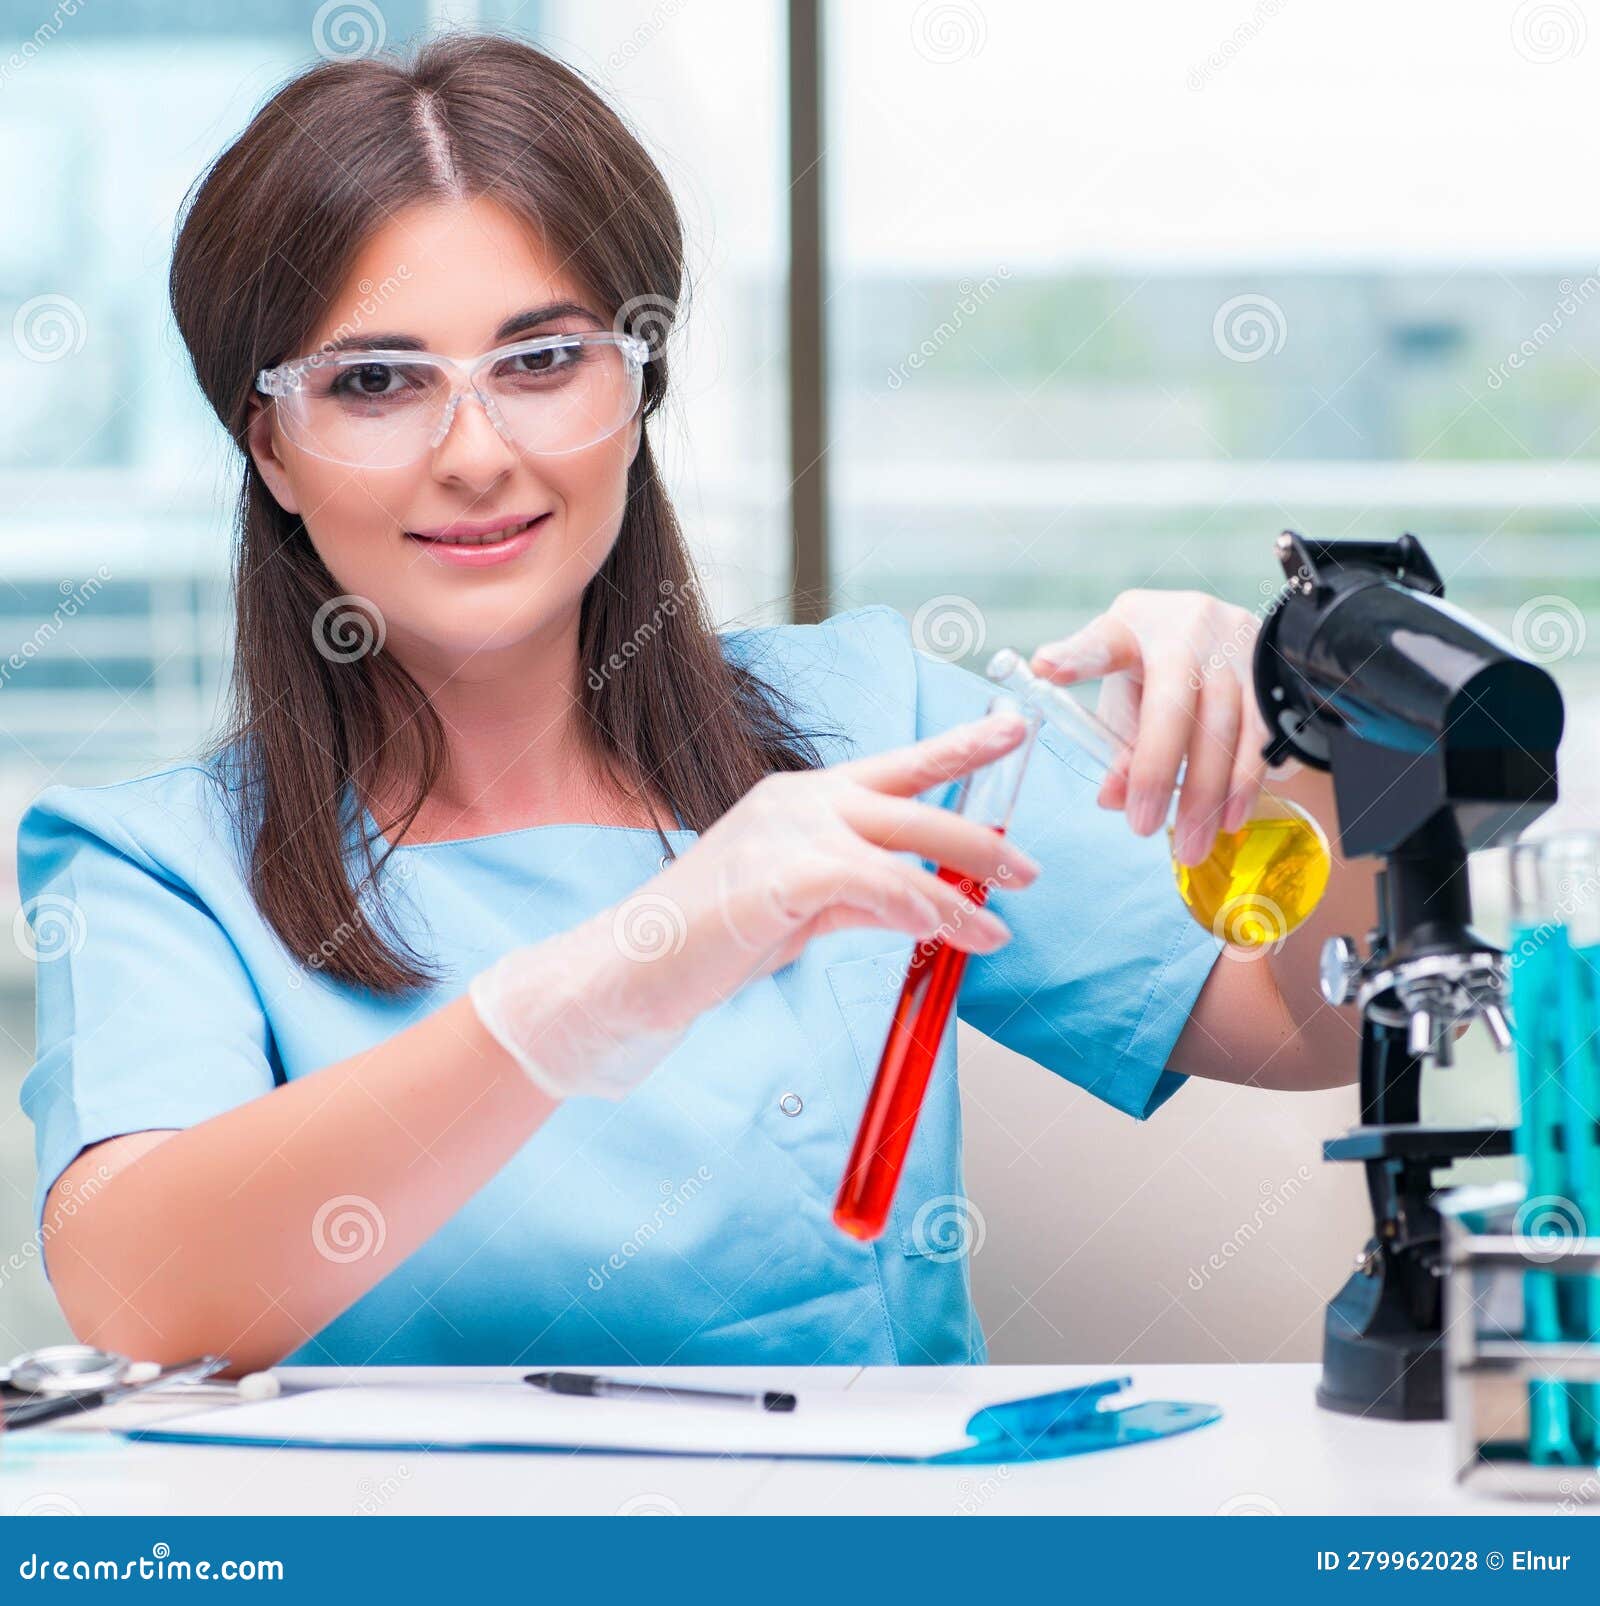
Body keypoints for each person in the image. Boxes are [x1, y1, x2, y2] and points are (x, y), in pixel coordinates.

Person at [19, 35, 1371, 1374]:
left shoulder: (874, 725)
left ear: (636, 384)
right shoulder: (163, 866)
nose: (475, 456)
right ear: (270, 446)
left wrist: (1313, 721)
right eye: (375, 382)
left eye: (543, 360)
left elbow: (1309, 1017)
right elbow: (141, 1299)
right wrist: (626, 968)